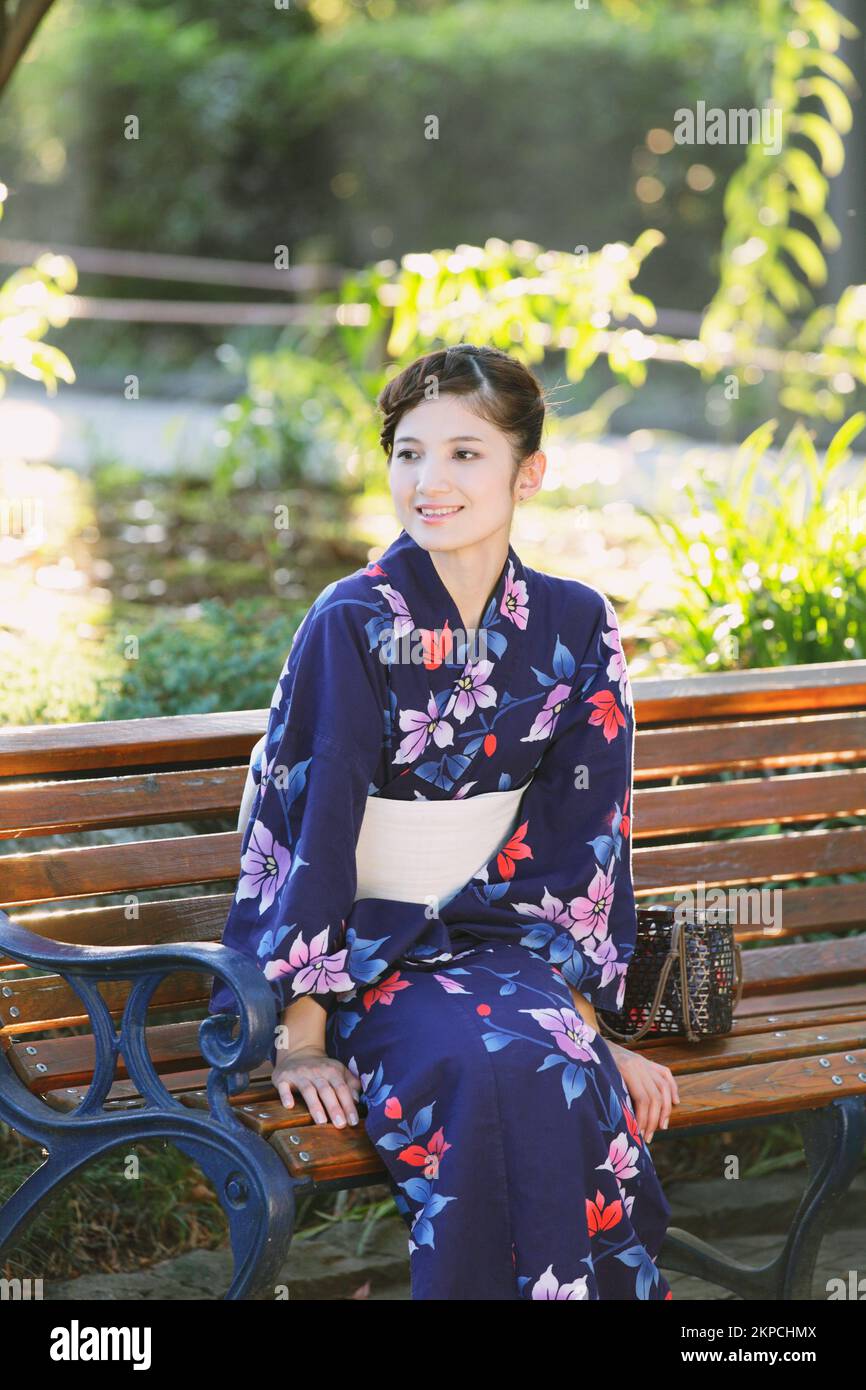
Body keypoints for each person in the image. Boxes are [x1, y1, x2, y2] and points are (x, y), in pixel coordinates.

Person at [209, 342, 678, 1300]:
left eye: (465, 453)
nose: (431, 481)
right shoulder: (351, 621)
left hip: (491, 942)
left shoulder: (577, 623)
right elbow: (313, 822)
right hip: (354, 955)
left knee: (559, 1063)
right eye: (409, 453)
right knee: (486, 1068)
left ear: (527, 471)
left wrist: (587, 1018)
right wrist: (298, 1029)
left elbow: (585, 826)